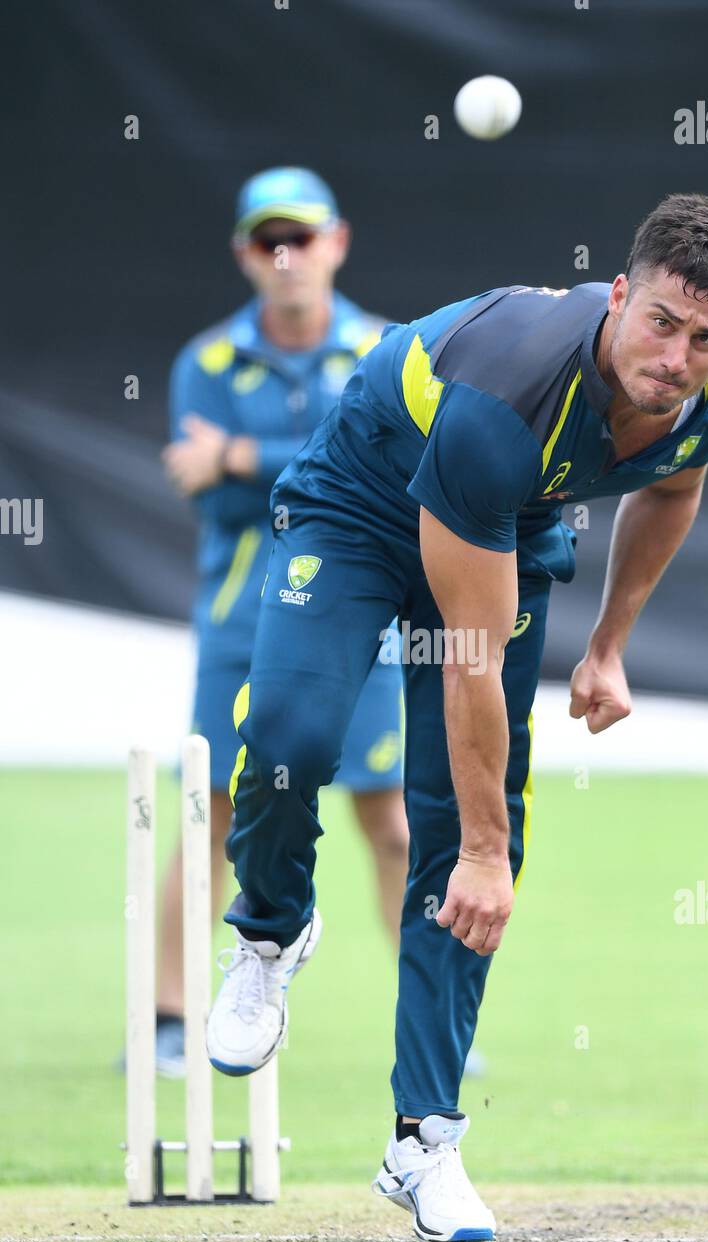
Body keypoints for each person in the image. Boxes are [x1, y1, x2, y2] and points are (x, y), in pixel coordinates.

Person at [204, 193, 708, 1242]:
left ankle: (424, 1142)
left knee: (457, 846)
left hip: (506, 525)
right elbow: (466, 654)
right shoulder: (505, 397)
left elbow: (671, 485)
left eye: (707, 336)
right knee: (294, 741)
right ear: (614, 297)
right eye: (659, 322)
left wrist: (606, 645)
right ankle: (270, 931)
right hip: (366, 499)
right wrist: (484, 850)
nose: (678, 355)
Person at [154, 167, 408, 1075]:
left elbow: (390, 475)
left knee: (393, 821)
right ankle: (171, 1015)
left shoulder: (386, 350)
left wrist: (241, 455)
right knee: (215, 816)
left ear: (338, 242)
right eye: (270, 241)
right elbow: (205, 488)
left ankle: (419, 1014)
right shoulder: (208, 361)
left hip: (365, 619)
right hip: (242, 621)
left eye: (303, 238)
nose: (288, 257)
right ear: (245, 255)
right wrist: (241, 467)